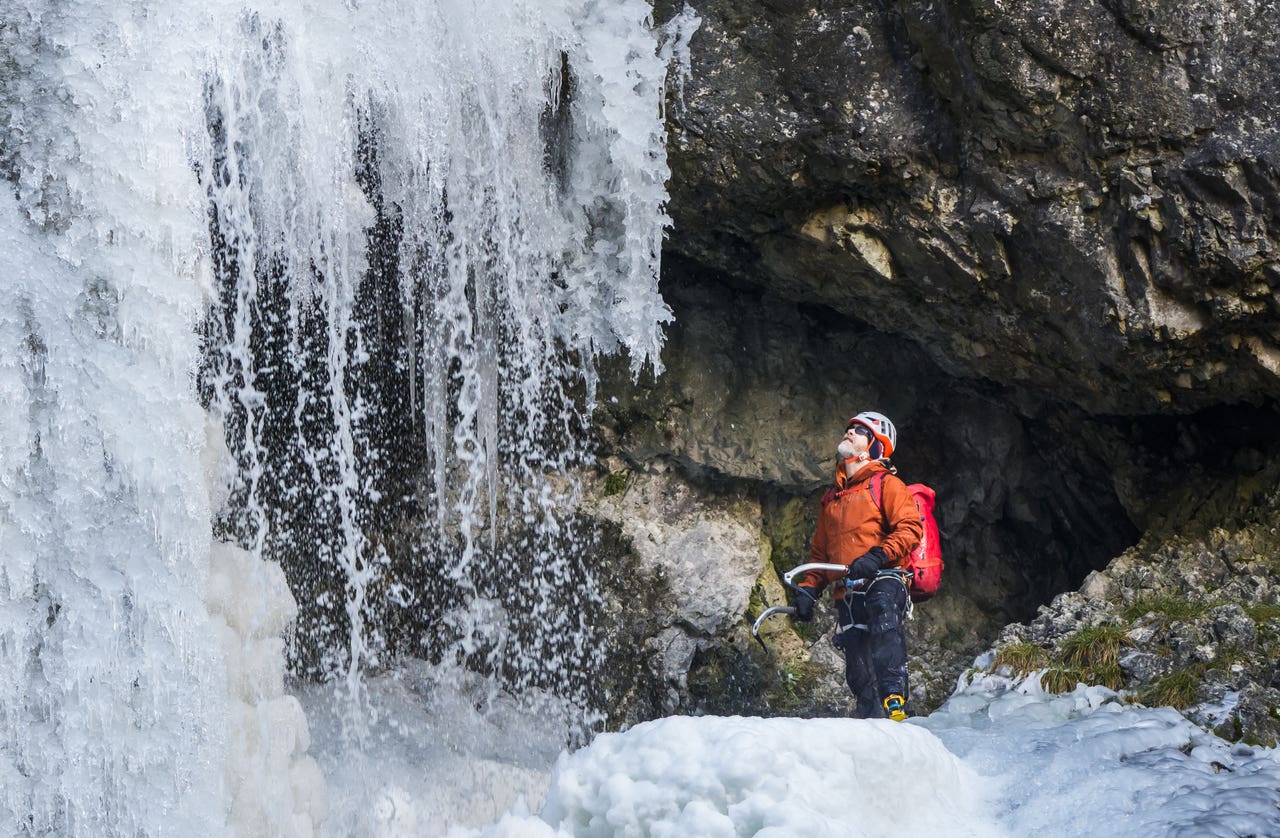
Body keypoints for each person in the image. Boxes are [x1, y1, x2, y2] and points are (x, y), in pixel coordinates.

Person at [791, 411, 923, 721]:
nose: (849, 431)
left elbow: (910, 529)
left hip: (885, 578)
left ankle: (894, 701)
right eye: (850, 427)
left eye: (860, 430)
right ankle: (870, 717)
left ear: (876, 446)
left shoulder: (886, 485)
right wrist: (809, 589)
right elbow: (821, 552)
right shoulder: (831, 499)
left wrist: (877, 556)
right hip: (848, 591)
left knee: (881, 611)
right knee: (857, 660)